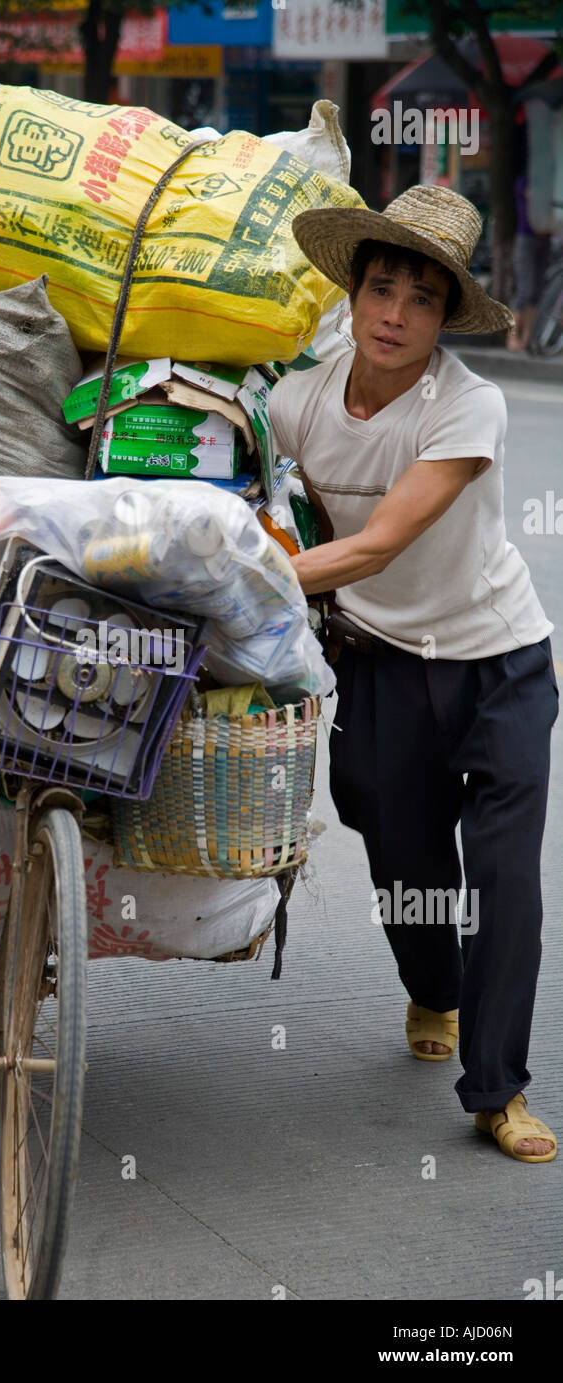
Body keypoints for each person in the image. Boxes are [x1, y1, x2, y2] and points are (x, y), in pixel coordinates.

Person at [267, 184, 558, 1162]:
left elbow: (374, 545)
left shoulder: (466, 406)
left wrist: (233, 580)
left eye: (420, 299)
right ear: (349, 298)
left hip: (500, 660)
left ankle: (496, 1089)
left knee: (505, 879)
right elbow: (285, 513)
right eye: (379, 288)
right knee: (394, 845)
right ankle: (429, 983)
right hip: (383, 667)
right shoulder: (295, 401)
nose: (394, 314)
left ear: (442, 318)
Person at [508, 171, 552, 352]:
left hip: (545, 237)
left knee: (536, 292)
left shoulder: (549, 182)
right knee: (525, 290)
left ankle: (527, 337)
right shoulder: (525, 180)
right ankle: (512, 338)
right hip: (526, 237)